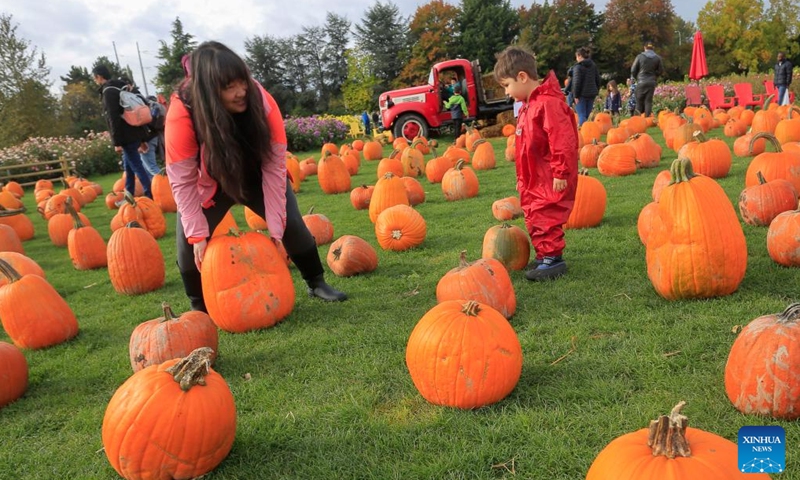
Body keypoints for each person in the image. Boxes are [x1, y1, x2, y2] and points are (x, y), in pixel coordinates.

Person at [165, 41, 347, 312]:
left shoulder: (261, 101)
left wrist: (275, 225)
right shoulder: (182, 113)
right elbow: (182, 180)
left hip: (255, 177)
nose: (241, 93)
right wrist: (197, 235)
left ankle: (316, 282)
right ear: (208, 92)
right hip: (210, 185)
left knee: (292, 224)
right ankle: (199, 306)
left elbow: (274, 166)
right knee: (188, 246)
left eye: (243, 83)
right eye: (229, 87)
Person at [494, 46, 579, 281]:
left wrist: (561, 172)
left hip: (549, 175)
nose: (507, 92)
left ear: (522, 77)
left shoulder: (548, 104)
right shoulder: (529, 105)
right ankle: (544, 255)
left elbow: (562, 140)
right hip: (533, 176)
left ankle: (553, 259)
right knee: (534, 214)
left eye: (507, 85)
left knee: (546, 215)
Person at [92, 65, 153, 198]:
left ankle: (150, 194)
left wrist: (116, 141)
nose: (95, 81)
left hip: (125, 135)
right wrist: (142, 138)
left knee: (137, 166)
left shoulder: (108, 91)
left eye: (95, 78)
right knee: (129, 168)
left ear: (99, 77)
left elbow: (112, 118)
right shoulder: (123, 86)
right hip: (135, 130)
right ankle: (129, 195)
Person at [120, 76, 160, 177]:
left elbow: (139, 121)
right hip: (151, 134)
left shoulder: (132, 98)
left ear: (129, 85)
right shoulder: (139, 97)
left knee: (151, 167)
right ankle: (155, 190)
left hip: (147, 136)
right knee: (146, 167)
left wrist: (142, 140)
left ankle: (167, 187)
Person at [630, 42, 664, 117]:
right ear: (653, 48)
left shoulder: (639, 57)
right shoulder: (657, 58)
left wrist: (637, 77)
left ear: (644, 48)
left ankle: (637, 120)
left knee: (639, 101)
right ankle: (647, 119)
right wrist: (655, 75)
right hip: (651, 81)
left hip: (641, 81)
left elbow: (633, 70)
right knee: (648, 101)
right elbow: (661, 71)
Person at [570, 47, 601, 126]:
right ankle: (587, 131)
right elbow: (598, 79)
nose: (576, 59)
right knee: (587, 115)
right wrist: (596, 90)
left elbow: (577, 82)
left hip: (581, 94)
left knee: (581, 115)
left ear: (579, 56)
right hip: (591, 93)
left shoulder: (578, 67)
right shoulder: (593, 65)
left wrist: (576, 95)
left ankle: (582, 133)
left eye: (576, 57)